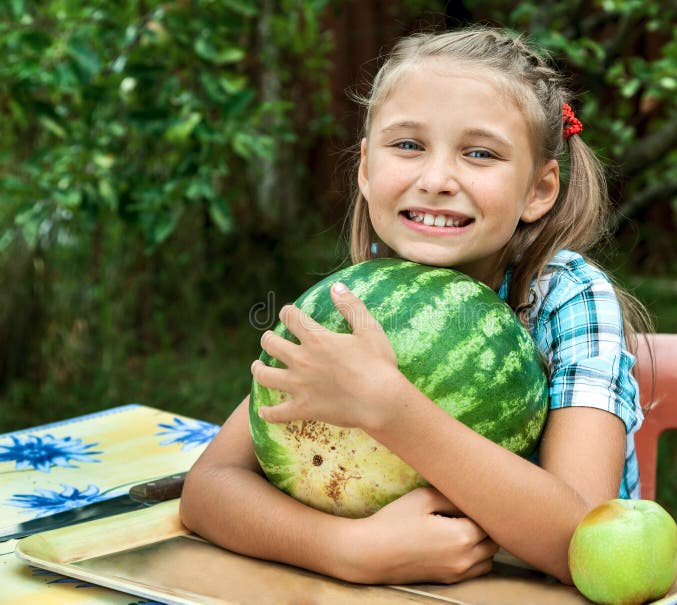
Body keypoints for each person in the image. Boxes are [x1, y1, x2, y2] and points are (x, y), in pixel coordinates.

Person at [180, 26, 651, 586]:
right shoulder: (358, 298)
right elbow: (208, 490)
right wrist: (345, 549)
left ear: (539, 190)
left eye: (480, 153)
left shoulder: (570, 301)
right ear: (366, 168)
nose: (436, 180)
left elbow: (584, 543)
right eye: (408, 146)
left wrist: (387, 406)